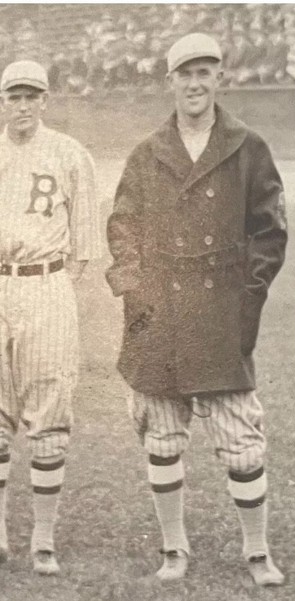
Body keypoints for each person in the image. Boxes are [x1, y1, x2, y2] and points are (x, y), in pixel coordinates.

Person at [105, 33, 287, 586]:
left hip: (221, 312)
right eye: (185, 73)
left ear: (219, 79)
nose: (194, 82)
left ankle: (257, 552)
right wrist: (138, 294)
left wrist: (245, 300)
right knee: (162, 435)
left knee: (240, 441)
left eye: (204, 72)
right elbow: (123, 227)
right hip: (161, 316)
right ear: (170, 82)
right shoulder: (146, 151)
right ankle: (173, 548)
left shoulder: (247, 146)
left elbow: (270, 233)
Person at [0, 60, 100, 576]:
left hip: (46, 283)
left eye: (31, 96)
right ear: (3, 100)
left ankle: (43, 537)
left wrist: (51, 288)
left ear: (45, 100)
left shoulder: (68, 153)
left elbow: (85, 244)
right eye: (14, 96)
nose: (23, 106)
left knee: (49, 408)